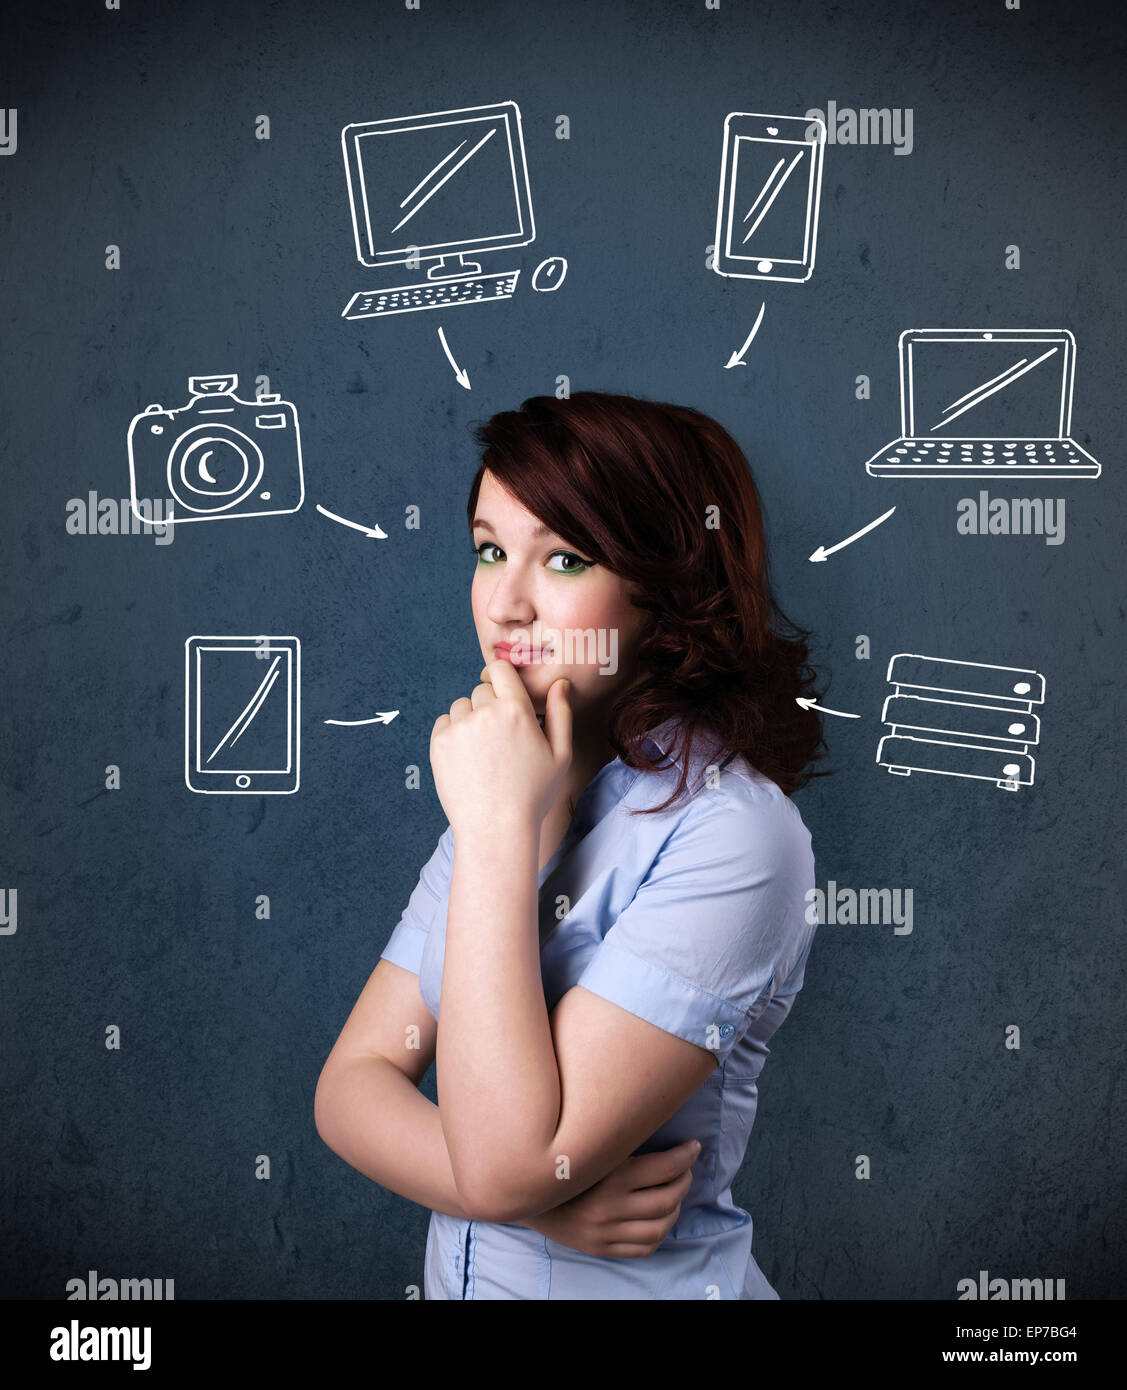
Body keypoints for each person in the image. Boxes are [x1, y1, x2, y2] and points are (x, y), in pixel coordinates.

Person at [315, 391, 826, 1299]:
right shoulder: (505, 789)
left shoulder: (733, 835)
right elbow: (351, 1088)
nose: (505, 603)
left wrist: (510, 1187)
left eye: (563, 556)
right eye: (488, 550)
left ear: (666, 589)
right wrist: (534, 1203)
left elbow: (507, 1164)